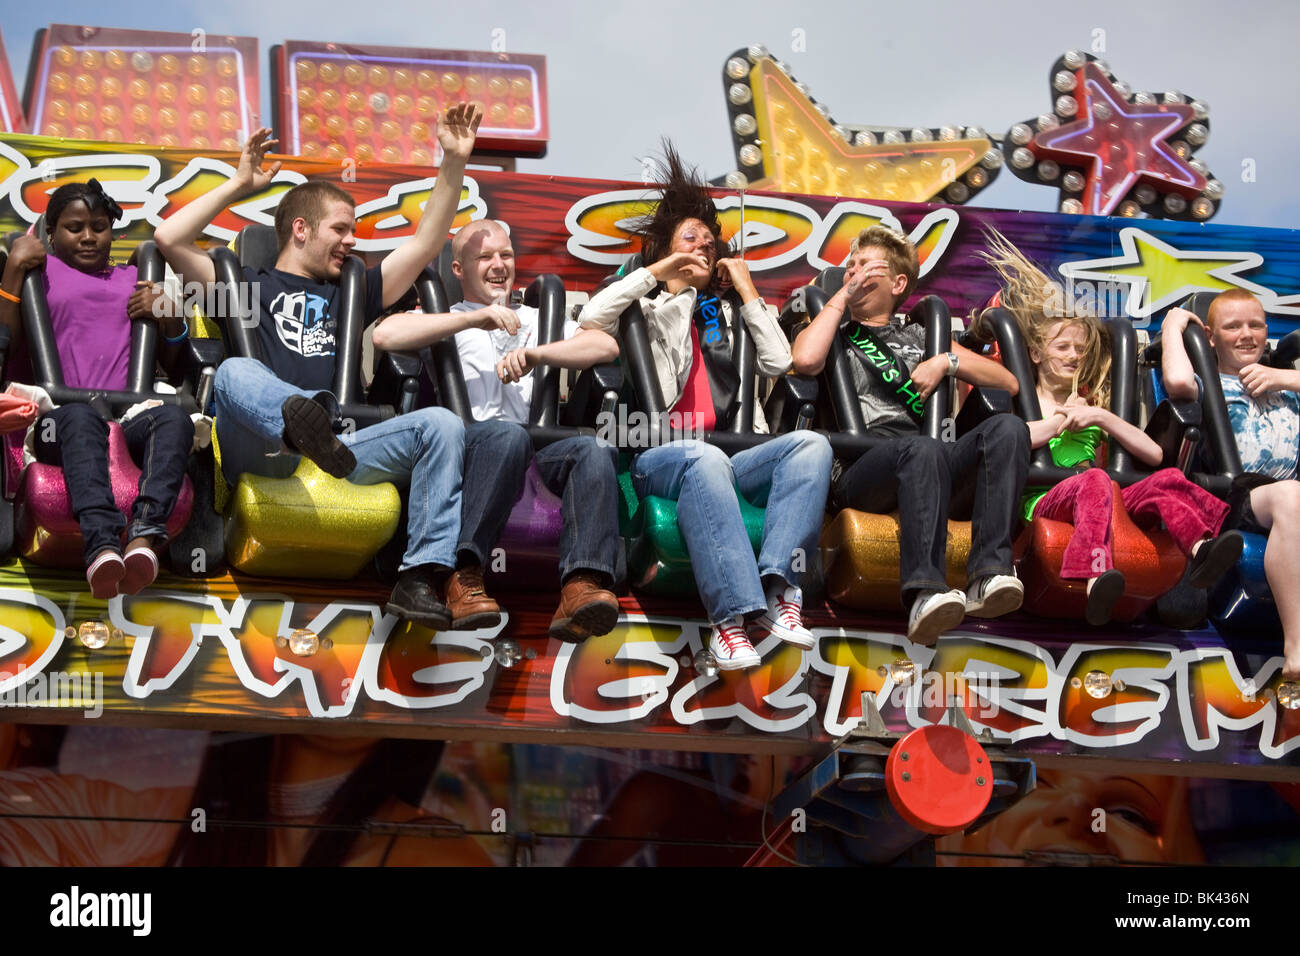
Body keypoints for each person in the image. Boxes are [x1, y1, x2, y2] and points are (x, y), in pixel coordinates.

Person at [155, 105, 482, 627]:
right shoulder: (248, 286)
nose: (352, 242)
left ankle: (419, 576)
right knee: (237, 373)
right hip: (266, 447)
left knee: (441, 424)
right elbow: (169, 240)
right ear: (301, 229)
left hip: (338, 445)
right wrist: (240, 181)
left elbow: (423, 245)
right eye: (343, 229)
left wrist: (453, 161)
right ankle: (292, 419)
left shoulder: (353, 291)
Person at [577, 145, 832, 671]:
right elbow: (594, 317)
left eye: (709, 242)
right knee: (701, 456)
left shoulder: (727, 312)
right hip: (663, 459)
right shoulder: (644, 304)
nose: (703, 246)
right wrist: (661, 271)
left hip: (737, 455)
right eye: (689, 238)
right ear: (664, 250)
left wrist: (744, 287)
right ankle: (730, 622)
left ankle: (781, 591)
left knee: (812, 445)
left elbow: (780, 361)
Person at [370, 218, 623, 638]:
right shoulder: (447, 315)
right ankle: (462, 574)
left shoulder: (537, 317)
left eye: (505, 255)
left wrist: (540, 354)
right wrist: (473, 320)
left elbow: (605, 346)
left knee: (594, 448)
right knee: (508, 435)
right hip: (470, 443)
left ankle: (581, 586)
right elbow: (385, 335)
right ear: (459, 270)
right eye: (484, 257)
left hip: (535, 445)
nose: (498, 264)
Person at [983, 236, 1242, 626]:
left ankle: (1203, 547)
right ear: (1036, 353)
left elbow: (1154, 455)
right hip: (1043, 501)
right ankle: (1095, 577)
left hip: (1099, 496)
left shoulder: (1088, 406)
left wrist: (1102, 418)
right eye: (1063, 347)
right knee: (1094, 480)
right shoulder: (1019, 397)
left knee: (1167, 479)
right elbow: (1011, 439)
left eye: (1079, 349)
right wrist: (1057, 422)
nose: (1073, 356)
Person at [792, 225, 1029, 646]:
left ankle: (988, 573)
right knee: (922, 449)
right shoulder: (838, 335)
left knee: (1008, 429)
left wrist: (948, 362)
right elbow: (806, 359)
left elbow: (1008, 383)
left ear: (898, 283)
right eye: (850, 265)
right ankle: (923, 594)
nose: (854, 271)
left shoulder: (924, 337)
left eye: (866, 265)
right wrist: (841, 297)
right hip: (864, 470)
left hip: (929, 462)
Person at [0, 180, 194, 597]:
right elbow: (10, 346)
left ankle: (143, 536)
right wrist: (14, 269)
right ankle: (103, 544)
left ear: (113, 232)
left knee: (174, 418)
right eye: (75, 227)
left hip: (126, 415)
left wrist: (171, 319)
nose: (88, 237)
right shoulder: (41, 273)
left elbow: (175, 362)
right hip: (59, 417)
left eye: (99, 226)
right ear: (50, 234)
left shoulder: (136, 277)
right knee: (81, 417)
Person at [1162, 289, 1300, 678]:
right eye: (1232, 326)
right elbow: (1176, 381)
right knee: (1291, 494)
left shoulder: (1287, 384)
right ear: (1210, 336)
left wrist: (1286, 377)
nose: (1246, 334)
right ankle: (1296, 647)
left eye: (1255, 325)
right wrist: (1173, 324)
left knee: (1292, 496)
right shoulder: (1211, 382)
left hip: (1287, 499)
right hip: (1237, 496)